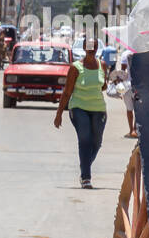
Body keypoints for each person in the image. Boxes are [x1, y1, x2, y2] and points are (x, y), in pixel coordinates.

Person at [54, 37, 108, 188]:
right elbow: (67, 92)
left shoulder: (102, 65)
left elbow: (103, 86)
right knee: (85, 139)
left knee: (96, 142)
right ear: (84, 47)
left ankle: (85, 165)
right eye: (89, 46)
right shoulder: (76, 67)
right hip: (79, 107)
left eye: (94, 46)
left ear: (97, 48)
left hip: (98, 109)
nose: (91, 49)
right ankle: (86, 177)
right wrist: (59, 114)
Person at [107, 49, 137, 138]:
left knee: (129, 109)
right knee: (137, 109)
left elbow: (123, 72)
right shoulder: (139, 52)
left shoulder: (125, 54)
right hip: (138, 85)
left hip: (127, 86)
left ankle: (132, 130)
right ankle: (135, 129)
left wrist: (119, 85)